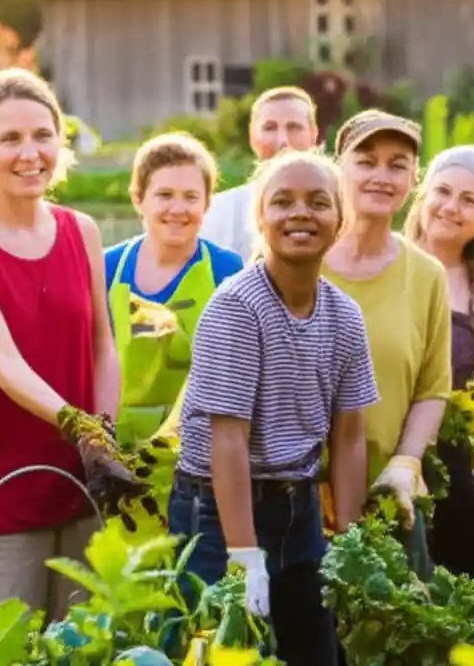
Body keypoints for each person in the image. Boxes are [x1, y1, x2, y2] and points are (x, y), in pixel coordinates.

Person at [0, 68, 142, 636]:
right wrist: (81, 426)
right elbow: (2, 363)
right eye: (11, 139)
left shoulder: (83, 232)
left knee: (80, 649)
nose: (30, 153)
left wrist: (104, 440)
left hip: (78, 487)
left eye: (43, 135)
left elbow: (103, 345)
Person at [169, 150, 376, 666]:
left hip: (297, 509)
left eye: (318, 202)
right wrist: (243, 555)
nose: (300, 213)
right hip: (218, 511)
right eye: (281, 202)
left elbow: (349, 436)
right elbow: (228, 438)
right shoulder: (239, 308)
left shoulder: (344, 317)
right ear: (260, 219)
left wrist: (348, 544)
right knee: (223, 654)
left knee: (316, 652)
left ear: (340, 220)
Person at [322, 109, 452, 574]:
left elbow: (432, 388)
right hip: (299, 497)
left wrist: (406, 462)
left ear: (414, 178)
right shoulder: (298, 260)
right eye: (366, 160)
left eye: (397, 164)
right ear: (339, 168)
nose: (381, 175)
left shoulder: (426, 275)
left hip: (385, 496)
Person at [404, 144, 474, 657]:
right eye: (443, 192)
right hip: (379, 446)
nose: (451, 207)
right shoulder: (387, 264)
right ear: (423, 195)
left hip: (448, 459)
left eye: (468, 200)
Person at [103, 132, 243, 445]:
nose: (178, 209)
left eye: (191, 197)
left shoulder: (227, 269)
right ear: (138, 198)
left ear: (208, 203)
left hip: (201, 453)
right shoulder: (106, 267)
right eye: (164, 195)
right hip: (117, 451)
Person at [199, 87, 320, 261]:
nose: (283, 141)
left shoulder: (342, 211)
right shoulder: (218, 212)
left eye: (294, 127)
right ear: (253, 137)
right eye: (270, 128)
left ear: (313, 135)